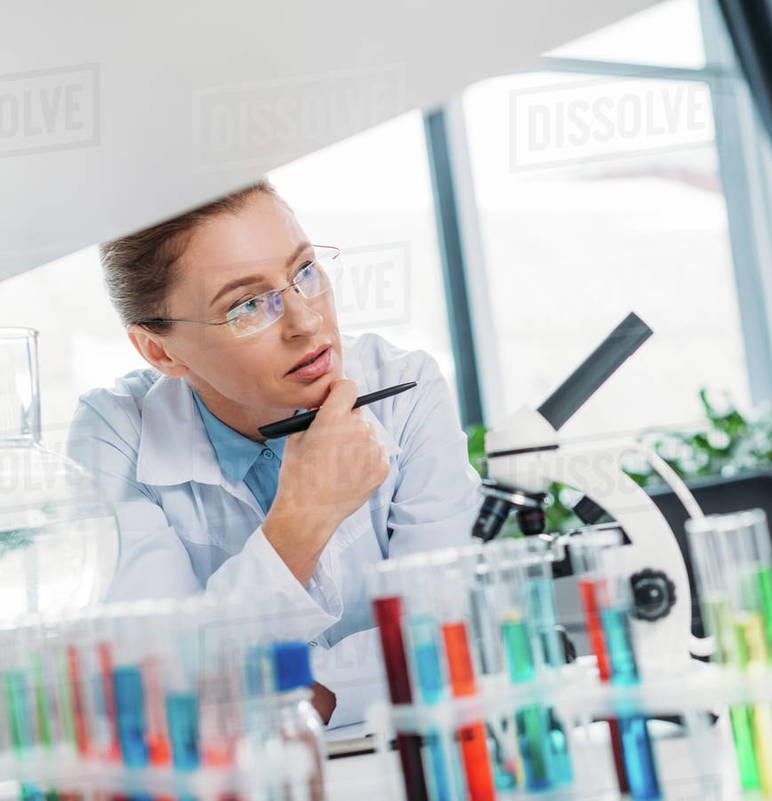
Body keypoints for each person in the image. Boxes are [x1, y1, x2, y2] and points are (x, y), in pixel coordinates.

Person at [67, 181, 481, 727]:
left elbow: (448, 635)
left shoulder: (404, 387)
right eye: (246, 306)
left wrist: (278, 702)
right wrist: (301, 521)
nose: (306, 321)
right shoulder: (114, 434)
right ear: (159, 350)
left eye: (305, 271)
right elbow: (157, 688)